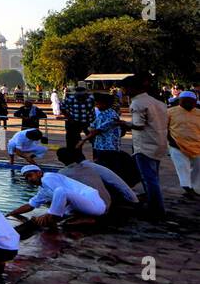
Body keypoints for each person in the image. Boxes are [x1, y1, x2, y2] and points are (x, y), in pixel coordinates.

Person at [8, 163, 108, 232]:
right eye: (26, 178)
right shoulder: (42, 190)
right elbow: (31, 205)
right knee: (65, 213)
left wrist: (49, 214)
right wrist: (10, 214)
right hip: (85, 206)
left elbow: (61, 192)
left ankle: (52, 218)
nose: (29, 179)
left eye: (30, 175)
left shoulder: (48, 177)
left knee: (61, 192)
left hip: (95, 204)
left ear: (39, 173)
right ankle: (87, 218)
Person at [124, 74, 168, 217]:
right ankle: (155, 204)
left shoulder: (137, 103)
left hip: (144, 145)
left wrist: (124, 124)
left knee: (149, 179)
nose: (124, 91)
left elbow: (138, 125)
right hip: (158, 142)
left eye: (125, 88)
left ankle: (156, 209)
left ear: (132, 88)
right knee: (153, 177)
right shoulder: (158, 102)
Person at [56, 146, 137, 218]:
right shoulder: (88, 167)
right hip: (107, 203)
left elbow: (118, 183)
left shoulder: (64, 172)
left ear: (59, 159)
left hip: (98, 207)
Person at [166, 90, 200, 199]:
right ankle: (187, 188)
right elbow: (165, 128)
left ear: (195, 102)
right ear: (180, 101)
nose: (188, 103)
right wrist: (170, 140)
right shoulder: (170, 112)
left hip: (197, 147)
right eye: (185, 101)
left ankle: (195, 189)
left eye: (191, 101)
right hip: (177, 145)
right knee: (182, 167)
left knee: (197, 169)